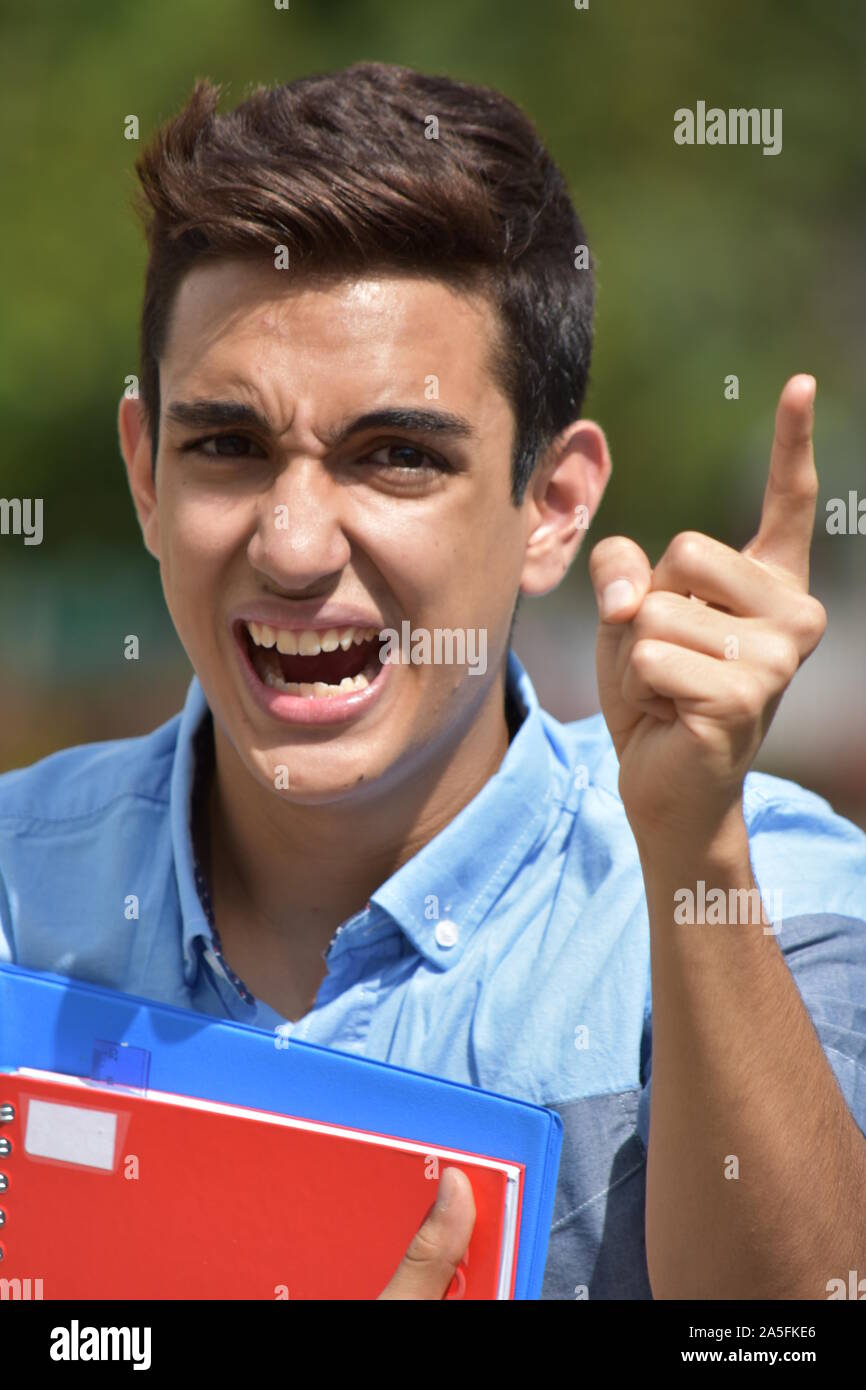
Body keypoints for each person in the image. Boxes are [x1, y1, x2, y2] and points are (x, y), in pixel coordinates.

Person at [2, 62, 865, 1301]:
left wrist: (696, 852)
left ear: (552, 504)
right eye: (228, 447)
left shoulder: (762, 888)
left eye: (395, 456)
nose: (293, 546)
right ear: (147, 473)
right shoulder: (15, 893)